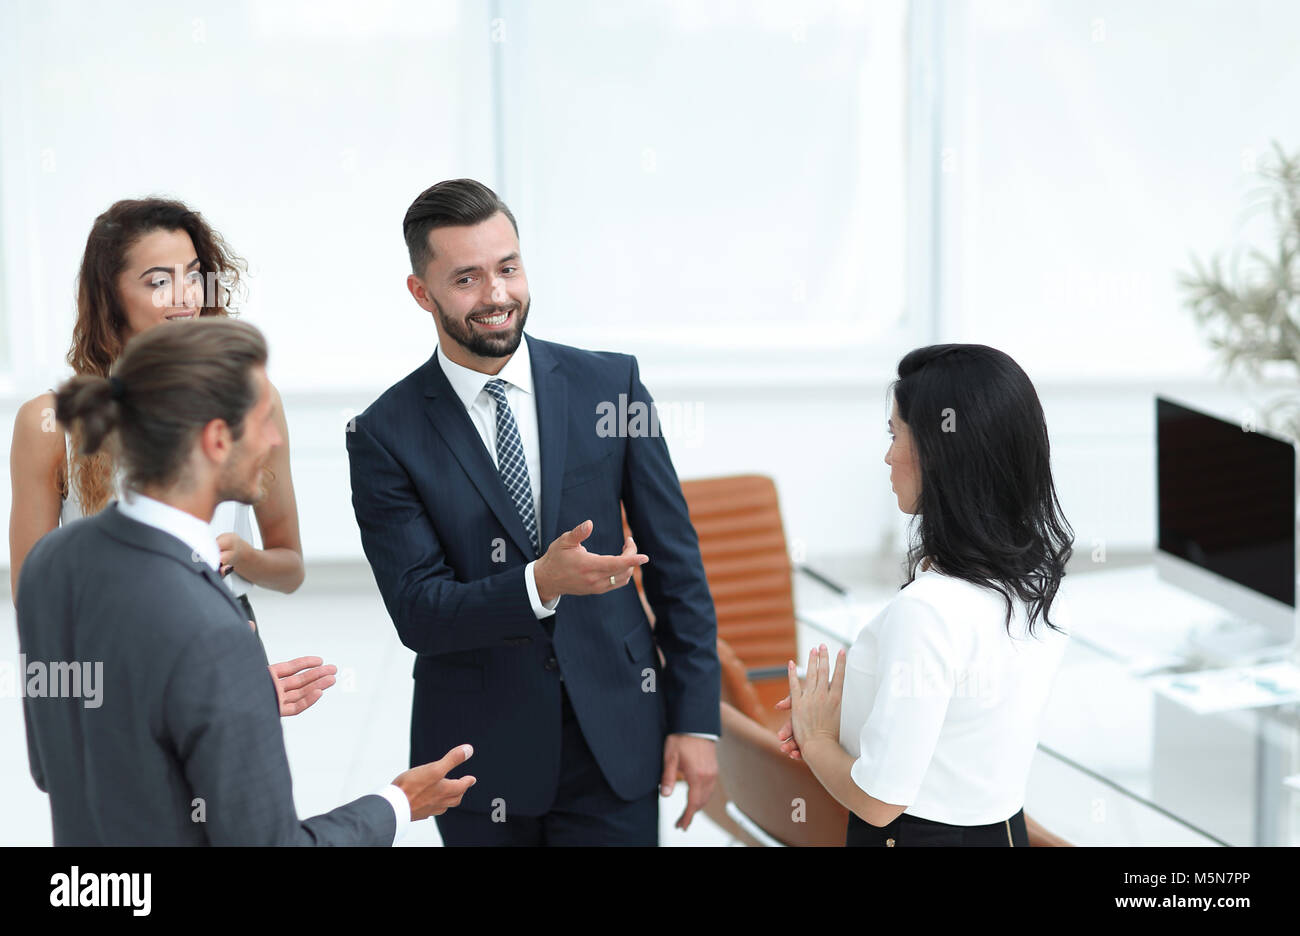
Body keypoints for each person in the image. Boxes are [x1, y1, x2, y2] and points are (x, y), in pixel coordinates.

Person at [346, 178, 721, 846]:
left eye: (508, 268)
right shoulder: (383, 434)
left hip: (616, 737)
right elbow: (419, 611)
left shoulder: (612, 385)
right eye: (466, 278)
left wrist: (695, 719)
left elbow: (676, 564)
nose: (496, 295)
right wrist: (538, 584)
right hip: (475, 758)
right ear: (420, 292)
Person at [17, 317, 476, 845]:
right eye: (263, 420)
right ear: (216, 439)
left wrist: (215, 701)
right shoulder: (214, 629)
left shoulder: (49, 564)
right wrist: (397, 803)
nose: (275, 437)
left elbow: (52, 767)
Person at [778, 344, 1074, 846]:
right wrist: (847, 708)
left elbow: (880, 800)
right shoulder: (1036, 579)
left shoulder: (930, 610)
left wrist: (819, 737)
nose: (887, 455)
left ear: (942, 453)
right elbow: (961, 721)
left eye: (896, 435)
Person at [9, 198, 304, 639]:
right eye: (158, 281)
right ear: (110, 294)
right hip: (113, 651)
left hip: (228, 637)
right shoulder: (51, 423)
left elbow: (291, 569)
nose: (185, 296)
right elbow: (33, 598)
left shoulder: (253, 400)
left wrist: (242, 556)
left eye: (193, 275)